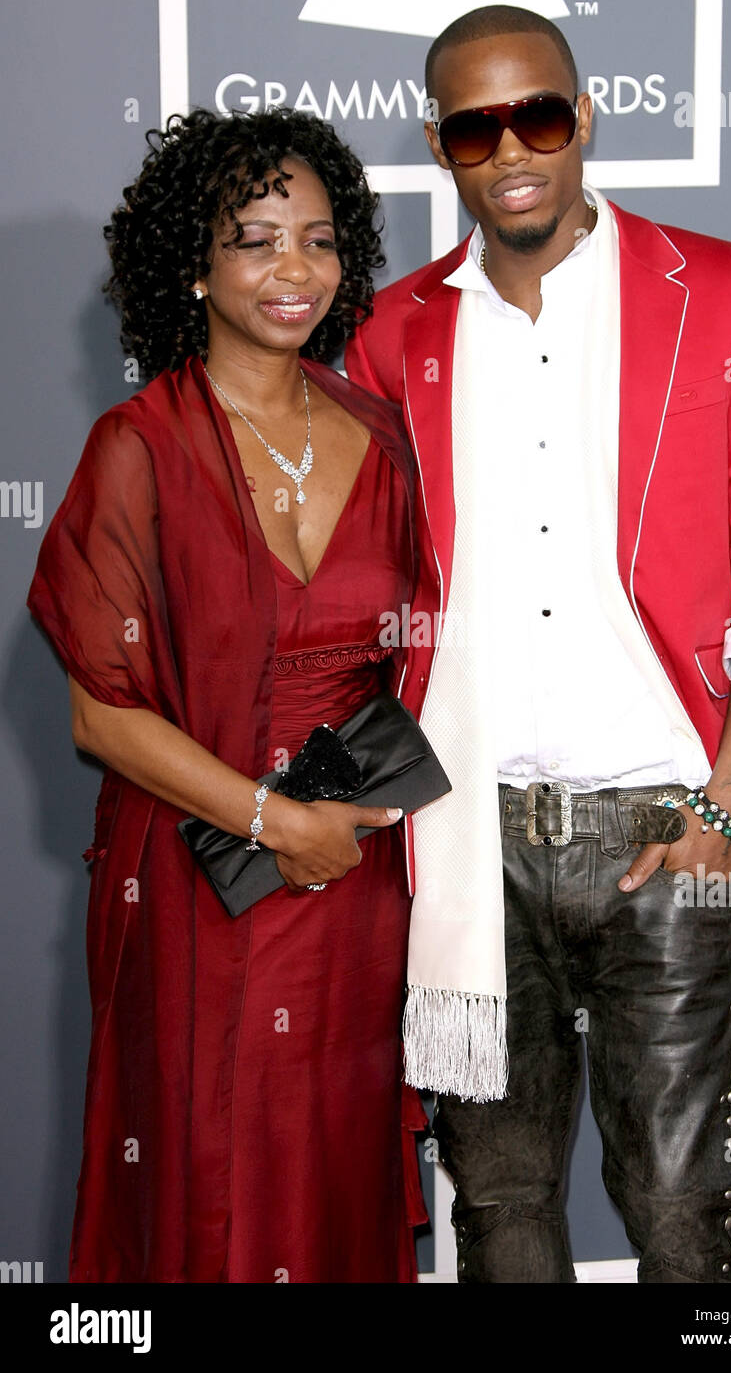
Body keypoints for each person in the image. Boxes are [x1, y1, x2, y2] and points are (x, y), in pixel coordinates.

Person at [344, 5, 731, 1283]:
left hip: (662, 824)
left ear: (584, 116)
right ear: (437, 145)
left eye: (541, 114)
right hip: (465, 839)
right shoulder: (394, 333)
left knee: (684, 1214)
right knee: (500, 1212)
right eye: (475, 125)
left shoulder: (723, 290)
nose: (512, 148)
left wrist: (726, 801)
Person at [27, 106, 429, 1283]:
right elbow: (99, 712)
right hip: (198, 869)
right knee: (208, 1166)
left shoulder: (385, 434)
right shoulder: (137, 446)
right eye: (254, 239)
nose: (291, 269)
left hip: (353, 885)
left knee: (328, 1164)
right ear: (194, 265)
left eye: (316, 238)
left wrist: (333, 828)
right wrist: (268, 819)